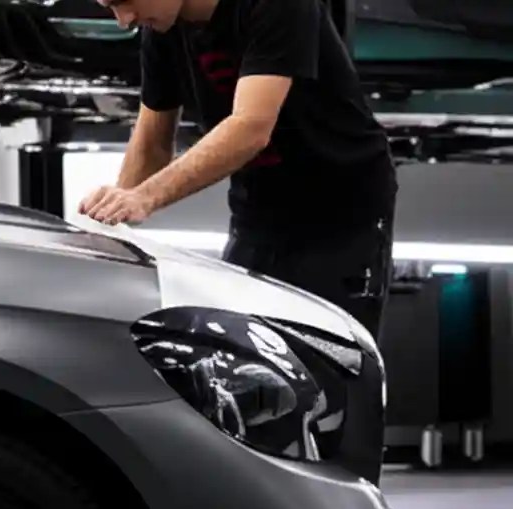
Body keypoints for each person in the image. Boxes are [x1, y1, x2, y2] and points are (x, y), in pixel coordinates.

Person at [78, 0, 398, 341]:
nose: (123, 21)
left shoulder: (276, 6)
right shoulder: (162, 28)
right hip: (258, 212)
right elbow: (152, 141)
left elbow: (251, 127)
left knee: (330, 357)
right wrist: (108, 226)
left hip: (340, 211)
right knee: (247, 356)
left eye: (123, 2)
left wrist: (144, 197)